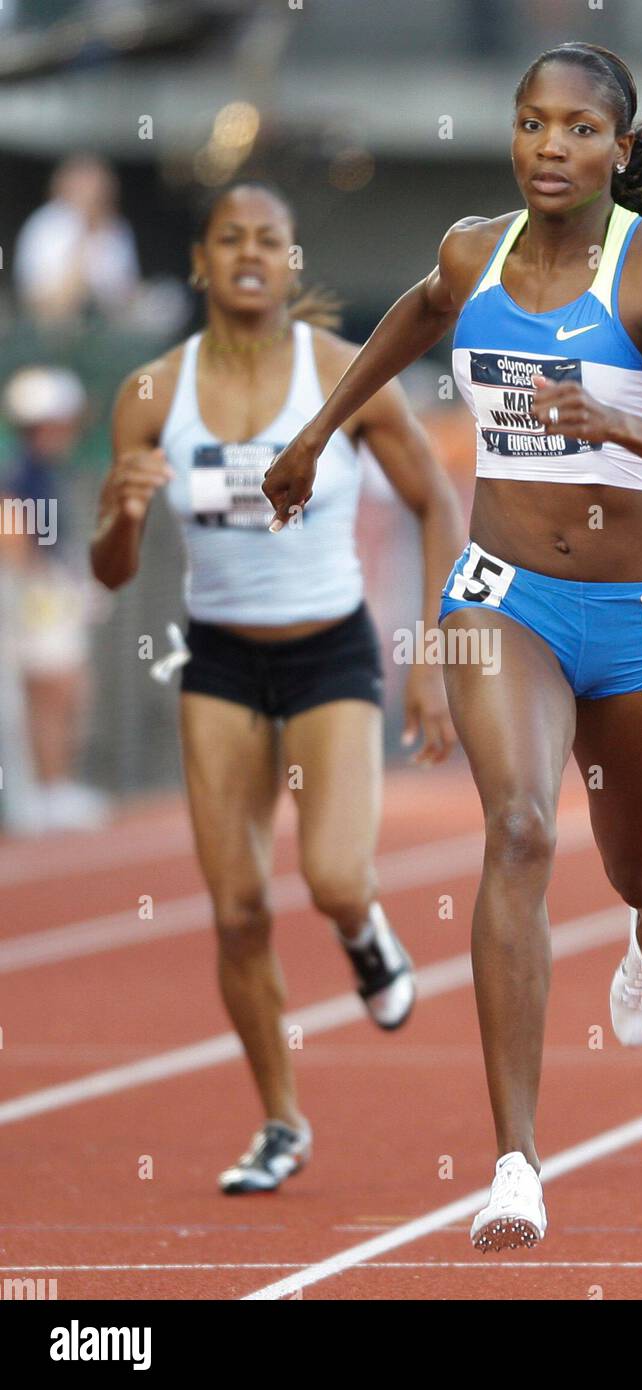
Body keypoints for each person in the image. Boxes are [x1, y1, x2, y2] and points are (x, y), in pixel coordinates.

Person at [263, 43, 642, 1249]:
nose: (551, 148)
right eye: (532, 124)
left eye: (579, 130)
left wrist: (613, 421)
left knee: (635, 865)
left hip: (635, 615)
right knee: (519, 826)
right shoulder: (467, 251)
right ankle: (514, 1163)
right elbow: (416, 315)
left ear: (618, 146)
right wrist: (317, 432)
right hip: (504, 597)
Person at [90, 182, 464, 1193]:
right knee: (238, 906)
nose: (250, 253)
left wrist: (431, 664)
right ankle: (280, 1120)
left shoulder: (342, 374)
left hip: (329, 653)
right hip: (217, 660)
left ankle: (363, 932)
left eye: (270, 239)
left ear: (289, 263)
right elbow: (110, 573)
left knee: (335, 874)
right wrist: (120, 520)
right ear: (201, 262)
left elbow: (439, 503)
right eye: (230, 238)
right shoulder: (150, 393)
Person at [1, 366, 109, 832]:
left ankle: (49, 789)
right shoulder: (23, 472)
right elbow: (12, 530)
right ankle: (46, 791)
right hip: (33, 598)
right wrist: (46, 587)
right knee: (52, 691)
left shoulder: (41, 471)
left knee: (60, 691)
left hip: (42, 591)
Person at [14, 155, 140, 327]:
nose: (95, 193)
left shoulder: (117, 227)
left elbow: (125, 291)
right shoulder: (46, 224)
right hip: (55, 327)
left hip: (108, 324)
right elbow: (43, 299)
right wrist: (85, 233)